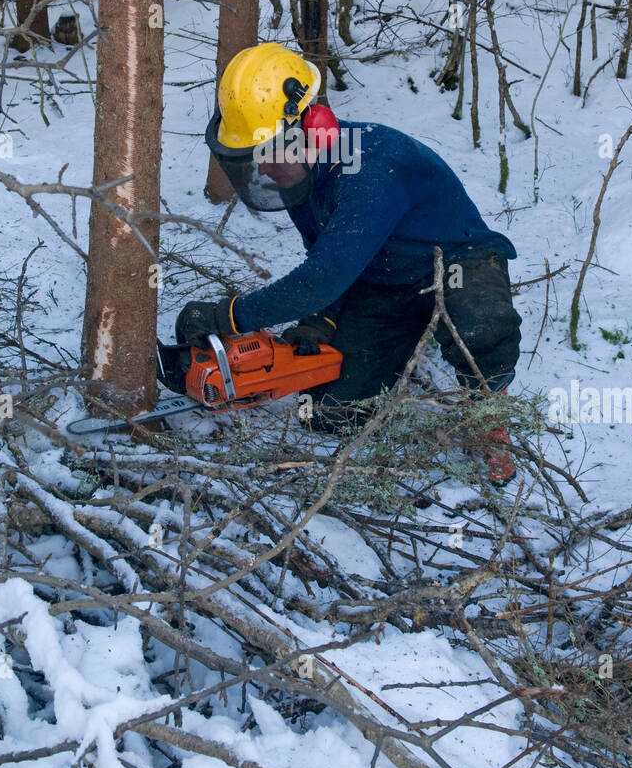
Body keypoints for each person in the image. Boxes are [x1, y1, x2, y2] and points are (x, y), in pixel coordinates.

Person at [175, 42, 523, 483]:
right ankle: (407, 333)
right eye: (253, 157)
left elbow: (326, 276)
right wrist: (323, 320)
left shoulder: (371, 168)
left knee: (482, 326)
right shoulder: (302, 179)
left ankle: (490, 416)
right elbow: (329, 261)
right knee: (331, 415)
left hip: (456, 262)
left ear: (311, 127)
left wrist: (231, 314)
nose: (261, 170)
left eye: (267, 153)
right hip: (382, 282)